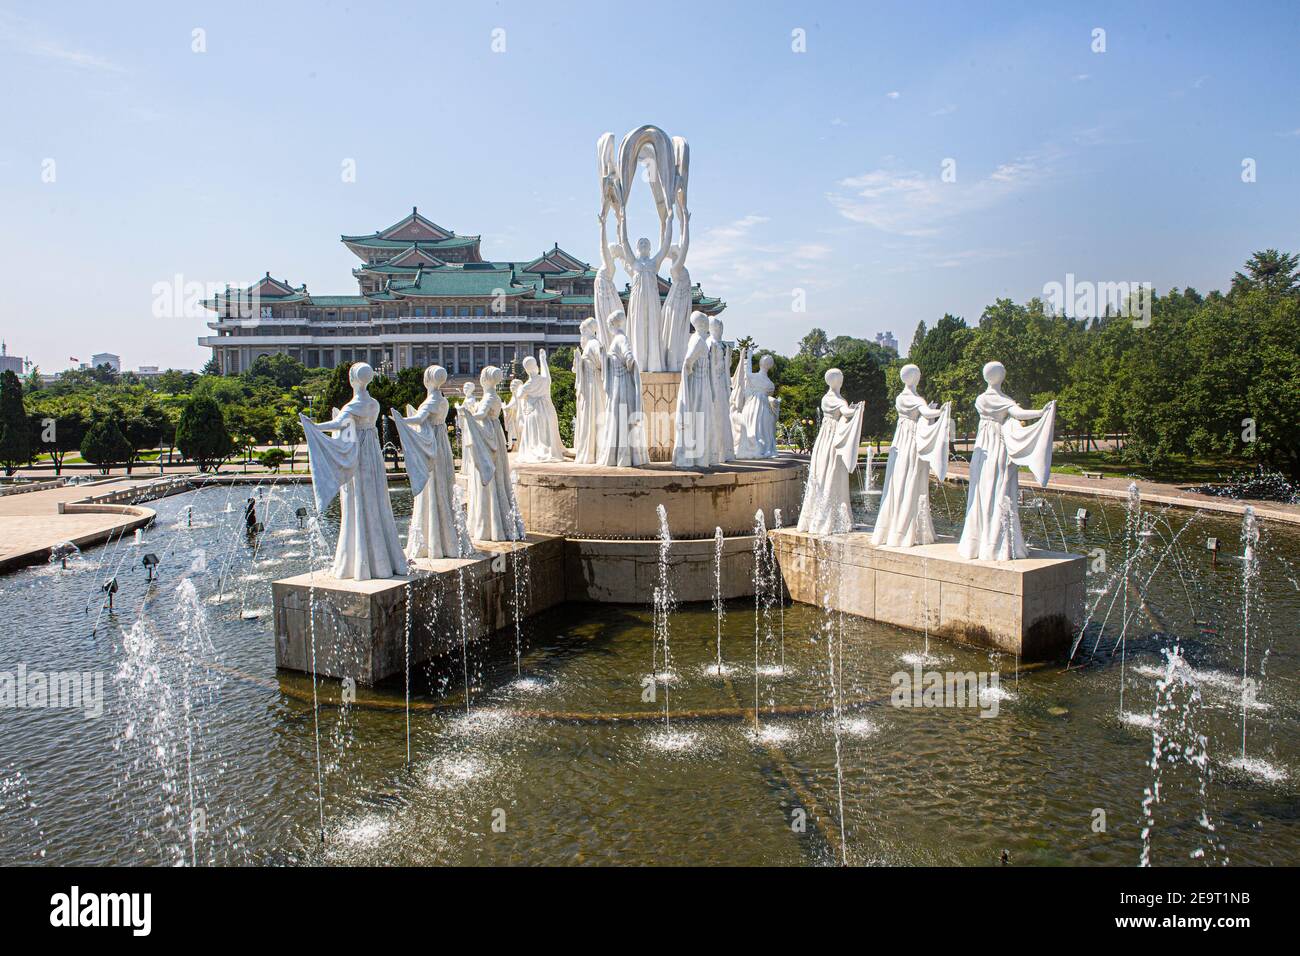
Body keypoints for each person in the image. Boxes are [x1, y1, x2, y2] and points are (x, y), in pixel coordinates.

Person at [298, 362, 407, 580]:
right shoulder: (374, 404)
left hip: (358, 455)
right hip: (373, 453)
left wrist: (314, 427)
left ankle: (362, 561)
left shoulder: (351, 406)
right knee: (376, 499)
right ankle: (384, 559)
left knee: (359, 500)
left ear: (353, 379)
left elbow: (339, 425)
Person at [956, 361, 1056, 561]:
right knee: (999, 489)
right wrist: (1040, 413)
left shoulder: (981, 399)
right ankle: (996, 543)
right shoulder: (1004, 400)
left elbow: (1015, 413)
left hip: (982, 448)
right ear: (1002, 376)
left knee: (983, 491)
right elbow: (1018, 414)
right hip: (998, 446)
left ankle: (978, 541)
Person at [871, 364, 951, 548]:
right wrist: (942, 411)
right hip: (911, 440)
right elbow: (925, 412)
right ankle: (906, 529)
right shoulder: (914, 398)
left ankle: (897, 526)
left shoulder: (902, 397)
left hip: (901, 438)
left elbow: (923, 412)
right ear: (915, 377)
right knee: (911, 479)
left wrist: (931, 411)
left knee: (901, 480)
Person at [389, 365, 464, 559]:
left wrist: (400, 420)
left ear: (428, 379)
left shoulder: (430, 401)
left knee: (432, 487)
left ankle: (433, 542)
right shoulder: (443, 401)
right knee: (444, 486)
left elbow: (419, 420)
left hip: (431, 445)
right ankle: (449, 538)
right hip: (442, 444)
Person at [459, 366, 525, 542]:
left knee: (487, 479)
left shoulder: (488, 397)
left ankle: (490, 526)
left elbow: (480, 416)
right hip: (494, 433)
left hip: (487, 435)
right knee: (498, 478)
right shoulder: (494, 396)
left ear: (486, 379)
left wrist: (467, 412)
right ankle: (501, 523)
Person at [797, 368, 865, 535]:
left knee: (823, 473)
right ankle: (829, 519)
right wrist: (858, 409)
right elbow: (846, 412)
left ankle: (815, 516)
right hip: (834, 437)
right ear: (837, 380)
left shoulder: (825, 398)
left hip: (824, 438)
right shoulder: (839, 400)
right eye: (840, 377)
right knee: (834, 473)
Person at [597, 310, 648, 467]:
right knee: (618, 418)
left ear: (613, 324)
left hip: (622, 385)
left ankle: (624, 456)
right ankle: (621, 456)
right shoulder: (618, 339)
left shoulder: (620, 339)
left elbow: (629, 357)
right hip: (618, 384)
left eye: (608, 325)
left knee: (621, 417)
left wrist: (629, 368)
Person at [672, 312, 716, 468]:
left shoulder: (699, 340)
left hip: (701, 384)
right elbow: (688, 361)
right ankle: (696, 456)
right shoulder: (697, 340)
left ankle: (700, 456)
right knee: (699, 417)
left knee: (701, 418)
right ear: (702, 324)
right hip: (698, 386)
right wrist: (693, 373)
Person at [516, 351, 567, 463]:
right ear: (536, 367)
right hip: (548, 412)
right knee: (547, 436)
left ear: (526, 370)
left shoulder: (526, 386)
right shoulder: (544, 380)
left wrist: (520, 388)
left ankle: (538, 450)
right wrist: (543, 360)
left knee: (536, 439)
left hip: (534, 414)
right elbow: (547, 376)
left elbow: (519, 396)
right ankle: (550, 449)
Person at [572, 318, 606, 464]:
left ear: (588, 330)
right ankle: (588, 452)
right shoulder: (588, 345)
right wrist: (578, 363)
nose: (581, 335)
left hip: (593, 385)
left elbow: (602, 362)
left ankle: (593, 453)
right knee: (587, 416)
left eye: (582, 331)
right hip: (587, 385)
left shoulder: (593, 344)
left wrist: (583, 363)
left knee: (593, 415)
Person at [733, 352, 780, 458]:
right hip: (761, 408)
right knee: (761, 429)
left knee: (755, 429)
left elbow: (747, 371)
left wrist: (749, 356)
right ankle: (762, 448)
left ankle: (757, 447)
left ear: (760, 363)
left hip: (755, 407)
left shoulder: (754, 378)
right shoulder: (769, 384)